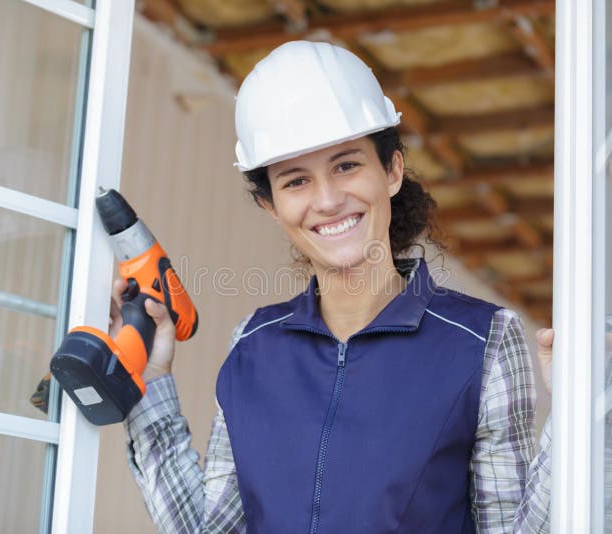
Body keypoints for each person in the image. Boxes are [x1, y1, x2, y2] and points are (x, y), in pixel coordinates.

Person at [111, 41, 554, 533]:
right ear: (271, 207)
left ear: (392, 171)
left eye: (346, 165)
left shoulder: (484, 340)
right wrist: (151, 382)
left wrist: (578, 418)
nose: (327, 199)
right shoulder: (254, 343)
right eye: (296, 181)